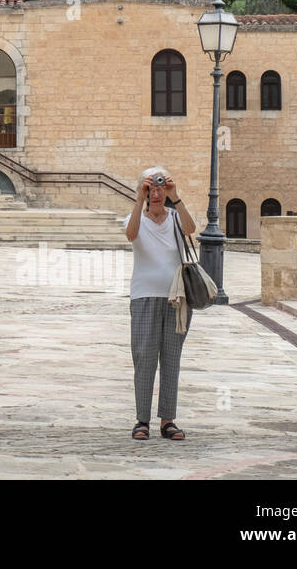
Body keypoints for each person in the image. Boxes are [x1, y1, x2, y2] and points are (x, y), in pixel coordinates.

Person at [125, 166, 197, 441]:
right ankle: (141, 420)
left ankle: (168, 420)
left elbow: (192, 229)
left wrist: (175, 195)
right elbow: (131, 234)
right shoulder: (136, 218)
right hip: (144, 296)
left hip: (177, 298)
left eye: (160, 189)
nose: (156, 194)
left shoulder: (176, 218)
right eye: (150, 189)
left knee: (171, 359)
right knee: (144, 359)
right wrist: (138, 199)